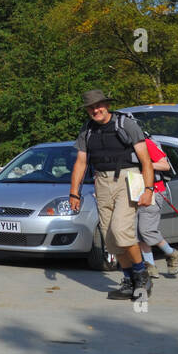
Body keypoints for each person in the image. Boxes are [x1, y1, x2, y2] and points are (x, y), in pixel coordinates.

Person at [69, 89, 157, 301]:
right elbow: (81, 162)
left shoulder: (126, 124)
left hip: (127, 179)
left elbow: (146, 160)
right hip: (101, 182)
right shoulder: (87, 130)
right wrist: (74, 193)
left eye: (98, 106)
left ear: (106, 105)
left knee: (120, 231)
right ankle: (128, 280)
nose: (95, 110)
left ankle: (142, 274)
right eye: (91, 107)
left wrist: (148, 189)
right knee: (110, 239)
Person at [136, 136, 178, 276]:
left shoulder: (145, 143)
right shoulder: (120, 147)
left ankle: (172, 253)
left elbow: (165, 165)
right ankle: (150, 265)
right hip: (133, 192)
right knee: (138, 233)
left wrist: (144, 165)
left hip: (154, 191)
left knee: (146, 230)